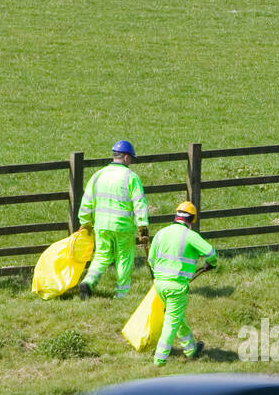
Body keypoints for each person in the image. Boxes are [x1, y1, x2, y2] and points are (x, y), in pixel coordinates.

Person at [77, 140, 149, 300]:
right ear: (125, 157)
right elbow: (140, 203)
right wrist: (142, 226)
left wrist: (85, 223)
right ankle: (121, 294)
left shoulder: (98, 175)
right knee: (124, 258)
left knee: (101, 256)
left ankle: (88, 282)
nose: (131, 161)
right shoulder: (131, 177)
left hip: (101, 225)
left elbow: (86, 201)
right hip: (123, 227)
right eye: (131, 158)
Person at [148, 201, 216, 366]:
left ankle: (191, 348)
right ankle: (159, 359)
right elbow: (210, 253)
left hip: (159, 284)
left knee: (177, 316)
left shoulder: (161, 233)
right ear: (192, 219)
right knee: (171, 322)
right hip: (177, 286)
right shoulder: (190, 236)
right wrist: (211, 263)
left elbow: (151, 259)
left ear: (176, 216)